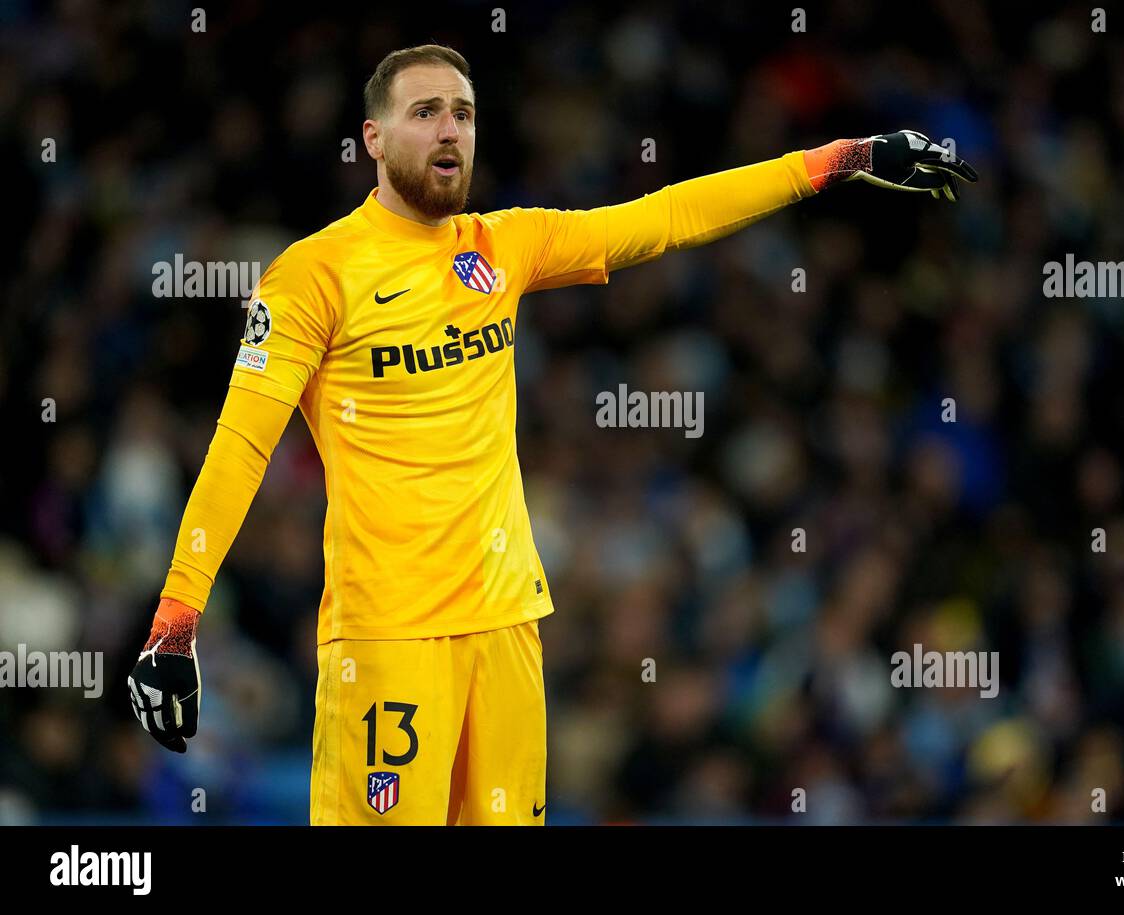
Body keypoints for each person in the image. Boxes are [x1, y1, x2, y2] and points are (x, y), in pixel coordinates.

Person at [126, 43, 977, 825]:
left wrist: (841, 159)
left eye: (463, 112)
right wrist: (175, 622)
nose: (450, 129)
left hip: (507, 626)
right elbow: (241, 445)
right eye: (425, 112)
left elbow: (665, 217)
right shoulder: (313, 275)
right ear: (373, 139)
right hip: (388, 636)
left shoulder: (505, 246)